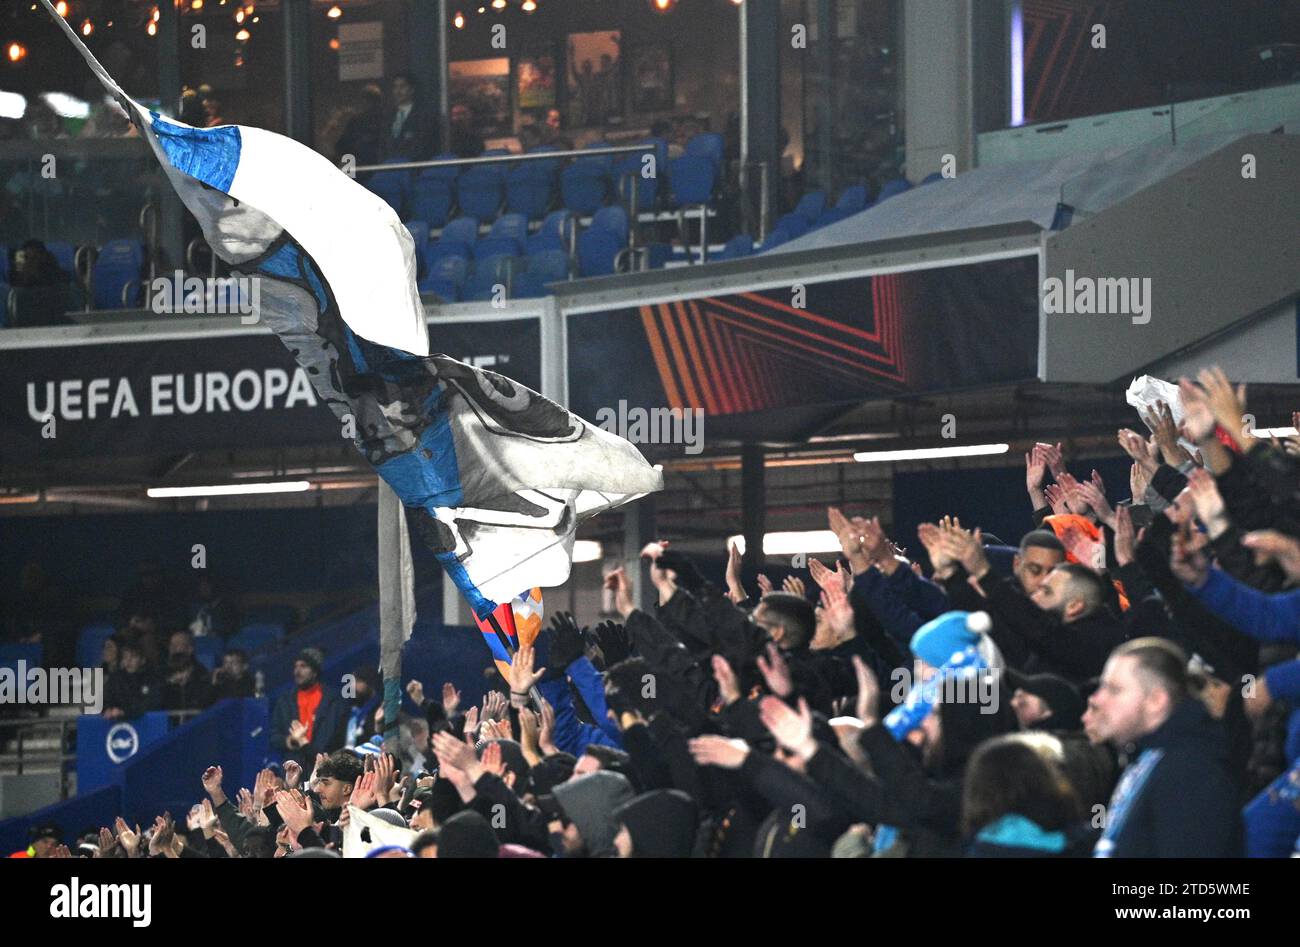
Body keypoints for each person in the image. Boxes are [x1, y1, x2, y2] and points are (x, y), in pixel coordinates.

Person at [1086, 638, 1242, 857]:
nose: (1097, 699)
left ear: (1156, 701)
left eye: (1114, 690)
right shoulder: (1148, 756)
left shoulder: (1191, 771)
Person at [270, 648, 345, 766]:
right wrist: (291, 740)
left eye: (303, 666)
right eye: (296, 667)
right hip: (293, 763)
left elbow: (335, 735)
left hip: (323, 764)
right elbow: (274, 735)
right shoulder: (285, 701)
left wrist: (309, 748)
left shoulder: (332, 700)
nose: (297, 671)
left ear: (314, 672)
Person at [102, 640, 162, 720]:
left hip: (146, 725)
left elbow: (150, 704)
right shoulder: (115, 679)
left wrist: (124, 712)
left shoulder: (151, 679)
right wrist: (107, 709)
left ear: (142, 660)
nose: (129, 660)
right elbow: (107, 700)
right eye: (125, 657)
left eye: (133, 656)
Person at [161, 629, 215, 711]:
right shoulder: (161, 671)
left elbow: (203, 702)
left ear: (190, 649)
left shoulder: (201, 674)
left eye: (178, 645)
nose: (173, 648)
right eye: (171, 645)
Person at [386, 73, 435, 161]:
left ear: (412, 89)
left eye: (402, 86)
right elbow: (383, 145)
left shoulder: (423, 115)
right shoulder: (388, 116)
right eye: (395, 87)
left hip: (413, 168)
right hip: (389, 169)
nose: (398, 91)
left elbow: (422, 144)